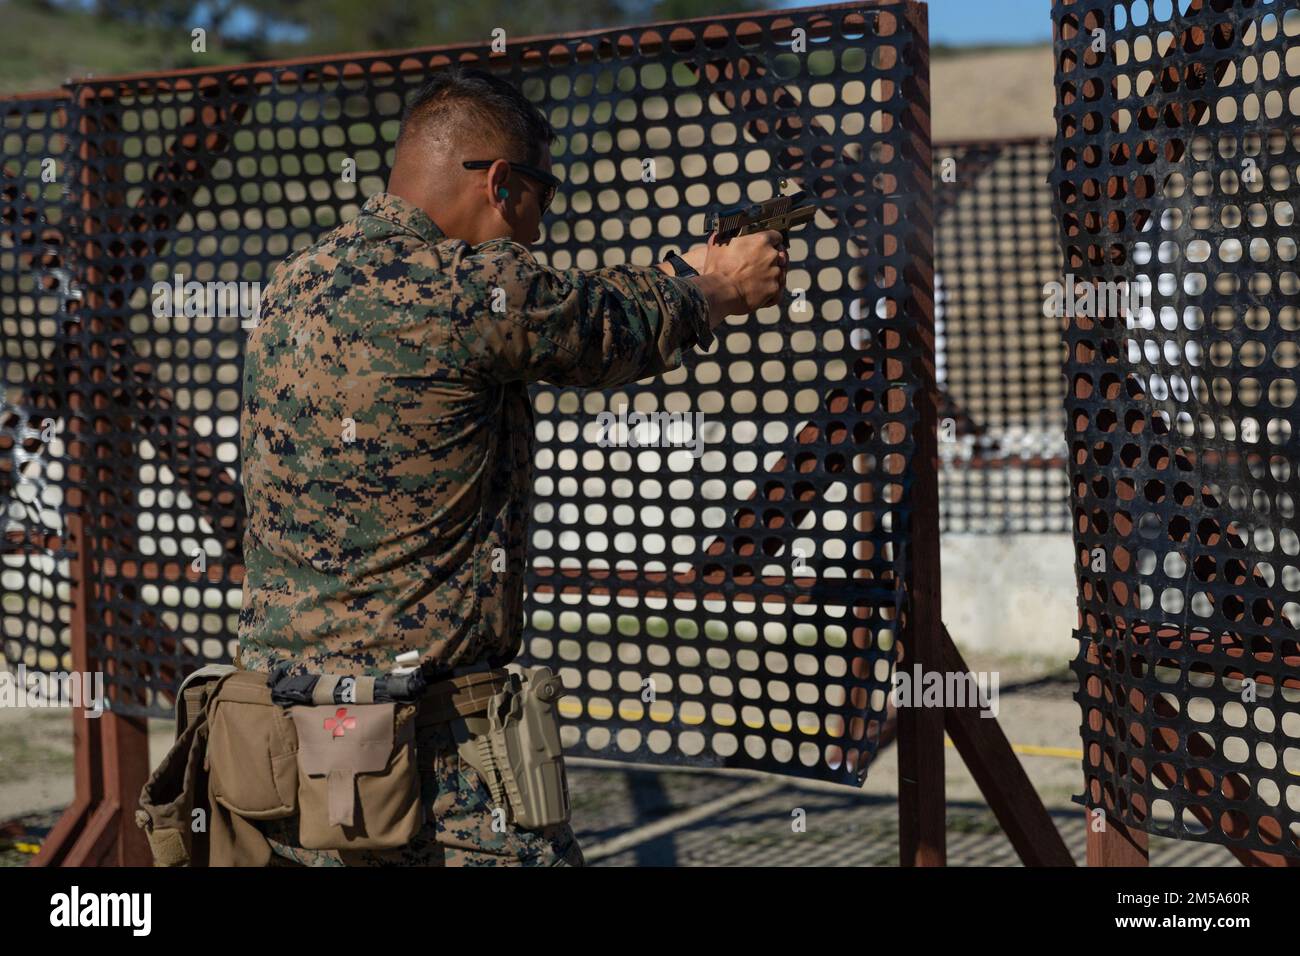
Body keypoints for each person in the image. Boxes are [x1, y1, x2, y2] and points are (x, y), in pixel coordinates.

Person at [236, 65, 787, 866]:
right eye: (542, 198)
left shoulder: (295, 285)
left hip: (283, 740)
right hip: (432, 754)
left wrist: (683, 278)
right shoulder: (465, 286)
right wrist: (720, 290)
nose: (537, 230)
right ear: (501, 182)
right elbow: (599, 327)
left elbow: (567, 308)